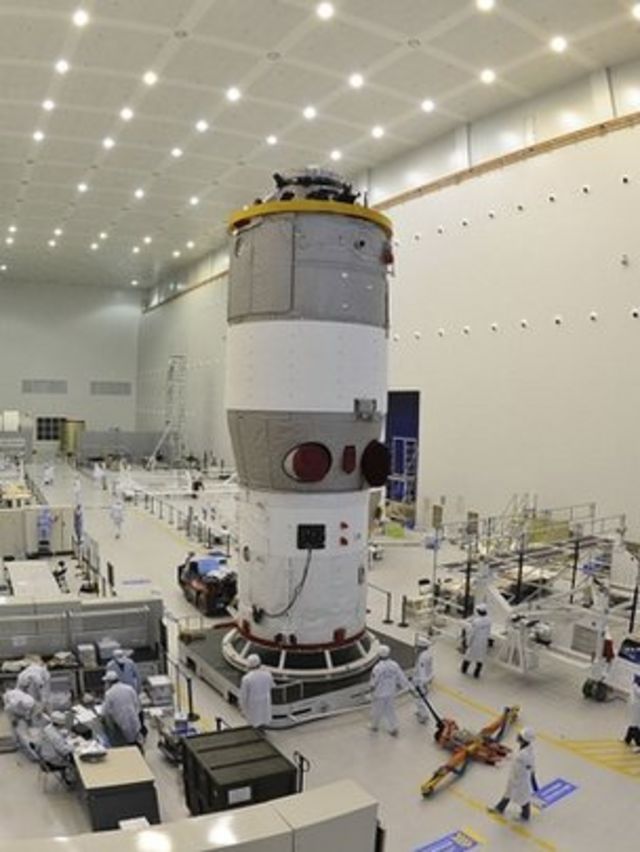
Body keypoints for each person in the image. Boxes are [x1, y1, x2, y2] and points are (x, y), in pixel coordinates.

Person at [488, 727, 539, 821]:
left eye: (520, 736)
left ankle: (525, 816)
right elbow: (513, 756)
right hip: (515, 777)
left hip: (521, 780)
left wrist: (534, 783)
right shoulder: (524, 749)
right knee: (508, 793)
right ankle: (500, 808)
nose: (517, 736)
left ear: (524, 739)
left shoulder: (526, 755)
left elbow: (531, 767)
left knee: (523, 799)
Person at [369, 644, 412, 736]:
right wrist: (408, 687)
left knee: (377, 710)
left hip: (379, 693)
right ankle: (393, 728)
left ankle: (374, 726)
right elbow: (402, 677)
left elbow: (373, 682)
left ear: (379, 655)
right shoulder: (394, 665)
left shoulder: (377, 668)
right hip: (391, 692)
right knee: (390, 710)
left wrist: (371, 691)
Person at [101, 670, 142, 747]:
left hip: (121, 730)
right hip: (135, 725)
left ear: (109, 683)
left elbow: (104, 713)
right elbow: (137, 706)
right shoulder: (129, 688)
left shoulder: (109, 693)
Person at [39, 712, 76, 785]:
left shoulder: (47, 728)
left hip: (44, 756)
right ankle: (70, 781)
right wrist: (74, 747)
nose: (64, 726)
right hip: (53, 760)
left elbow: (57, 732)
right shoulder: (56, 737)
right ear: (59, 724)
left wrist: (65, 734)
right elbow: (63, 751)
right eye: (63, 725)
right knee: (73, 763)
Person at [239, 654, 274, 729]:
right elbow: (272, 686)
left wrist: (242, 709)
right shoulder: (267, 674)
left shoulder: (246, 678)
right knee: (263, 720)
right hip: (265, 702)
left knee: (254, 723)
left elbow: (243, 696)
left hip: (252, 706)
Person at [461, 603, 492, 678]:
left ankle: (464, 670)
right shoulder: (489, 620)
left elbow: (472, 633)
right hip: (483, 641)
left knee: (468, 656)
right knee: (480, 658)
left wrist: (468, 643)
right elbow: (488, 632)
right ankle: (476, 673)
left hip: (475, 642)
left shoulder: (476, 621)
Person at [413, 637, 434, 724]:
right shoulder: (427, 654)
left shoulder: (422, 657)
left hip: (421, 682)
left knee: (421, 700)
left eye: (417, 646)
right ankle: (420, 712)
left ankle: (423, 716)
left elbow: (422, 671)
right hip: (426, 678)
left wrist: (422, 684)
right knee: (421, 699)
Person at [623, 673, 640, 749]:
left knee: (634, 723)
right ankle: (632, 741)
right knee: (634, 723)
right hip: (635, 705)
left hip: (636, 706)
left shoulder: (635, 687)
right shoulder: (636, 687)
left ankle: (631, 741)